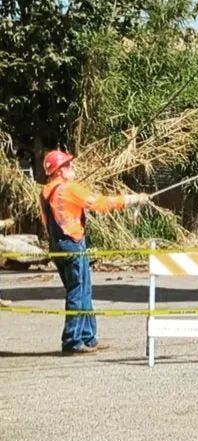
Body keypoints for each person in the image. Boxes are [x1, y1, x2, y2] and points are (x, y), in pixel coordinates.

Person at [39, 150, 150, 355]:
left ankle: (88, 337)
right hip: (73, 244)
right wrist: (132, 199)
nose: (73, 169)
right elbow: (99, 203)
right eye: (69, 166)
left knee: (83, 290)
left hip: (58, 246)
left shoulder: (45, 192)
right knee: (78, 291)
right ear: (60, 171)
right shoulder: (68, 188)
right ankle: (72, 340)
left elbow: (47, 222)